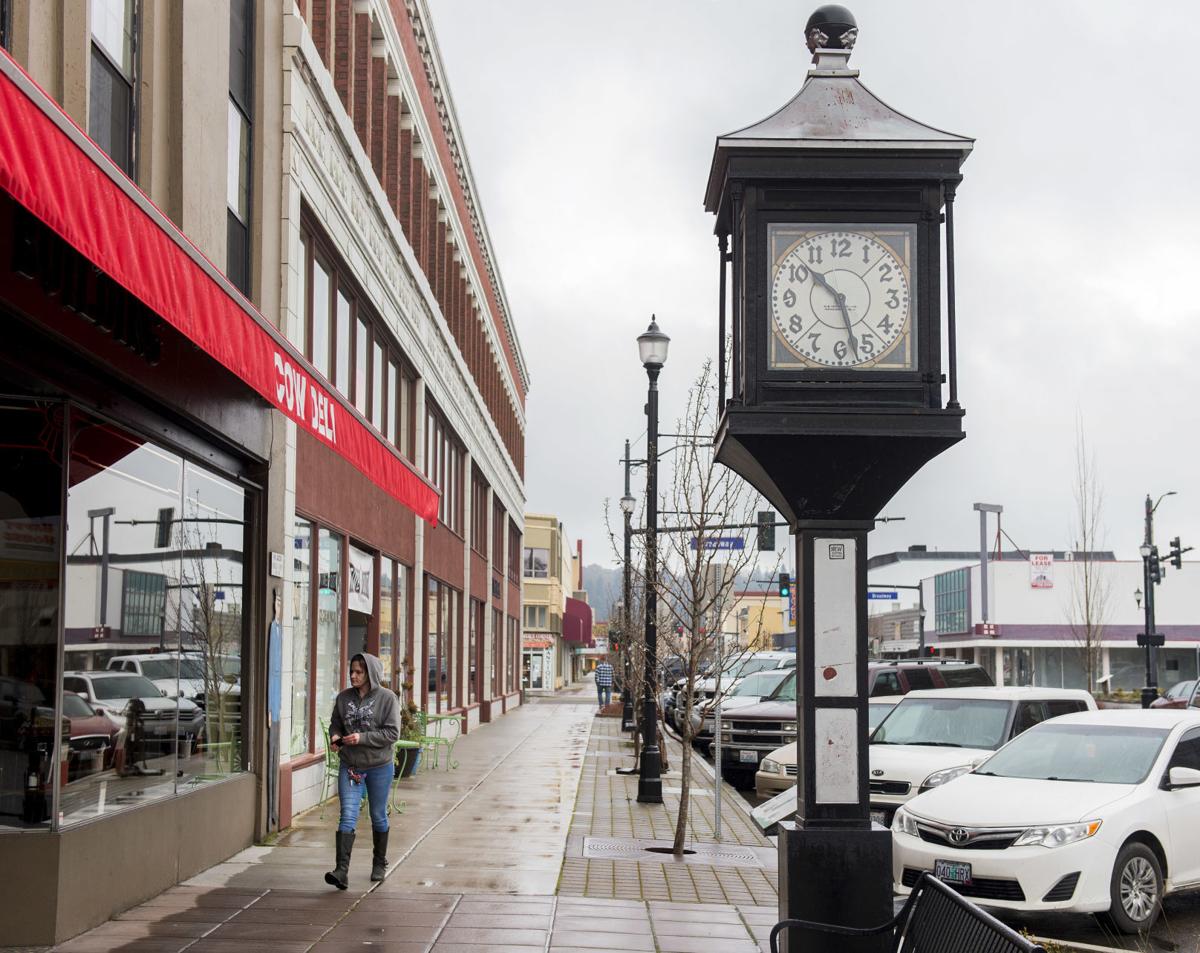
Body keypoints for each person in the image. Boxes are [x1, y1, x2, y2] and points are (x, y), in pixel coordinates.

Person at [325, 653, 399, 890]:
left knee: (377, 814)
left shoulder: (388, 698)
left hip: (379, 766)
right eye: (352, 671)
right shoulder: (343, 698)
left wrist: (362, 738)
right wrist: (335, 736)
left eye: (359, 672)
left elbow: (392, 734)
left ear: (371, 674)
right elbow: (335, 723)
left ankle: (379, 863)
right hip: (351, 765)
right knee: (347, 813)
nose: (353, 676)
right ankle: (341, 871)